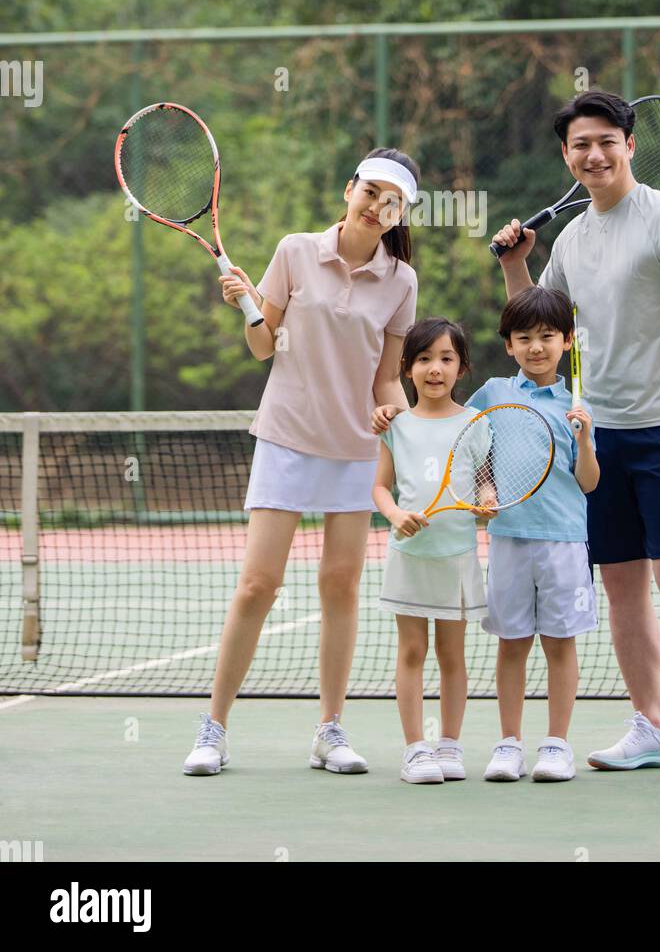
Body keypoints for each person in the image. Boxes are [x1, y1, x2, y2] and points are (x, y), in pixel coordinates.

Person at [490, 90, 660, 782]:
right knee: (621, 585)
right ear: (566, 156)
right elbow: (540, 325)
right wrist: (515, 263)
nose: (592, 155)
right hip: (595, 436)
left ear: (628, 144)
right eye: (578, 146)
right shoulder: (570, 239)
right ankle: (650, 723)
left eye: (604, 141)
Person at [182, 148, 420, 777]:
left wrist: (407, 426)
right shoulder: (293, 251)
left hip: (353, 449)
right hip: (286, 435)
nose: (377, 206)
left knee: (340, 586)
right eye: (370, 191)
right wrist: (247, 303)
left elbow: (386, 380)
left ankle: (330, 730)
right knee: (258, 585)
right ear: (349, 191)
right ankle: (214, 728)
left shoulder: (401, 281)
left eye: (391, 201)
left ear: (400, 215)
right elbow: (264, 347)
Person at [465, 287, 599, 782]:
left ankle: (557, 745)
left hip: (564, 539)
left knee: (561, 643)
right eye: (524, 338)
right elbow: (472, 449)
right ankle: (508, 745)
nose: (536, 347)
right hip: (508, 538)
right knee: (512, 643)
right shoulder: (494, 395)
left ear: (567, 341)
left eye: (547, 337)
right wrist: (484, 489)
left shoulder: (578, 404)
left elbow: (589, 482)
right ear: (508, 345)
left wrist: (585, 440)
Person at [372, 318, 490, 784]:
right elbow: (381, 488)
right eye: (423, 359)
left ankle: (450, 746)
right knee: (411, 652)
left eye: (446, 358)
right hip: (409, 556)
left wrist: (486, 502)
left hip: (457, 556)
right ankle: (415, 749)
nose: (434, 368)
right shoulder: (396, 426)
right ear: (407, 369)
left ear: (462, 368)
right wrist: (396, 516)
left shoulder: (475, 423)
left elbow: (483, 480)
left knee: (453, 655)